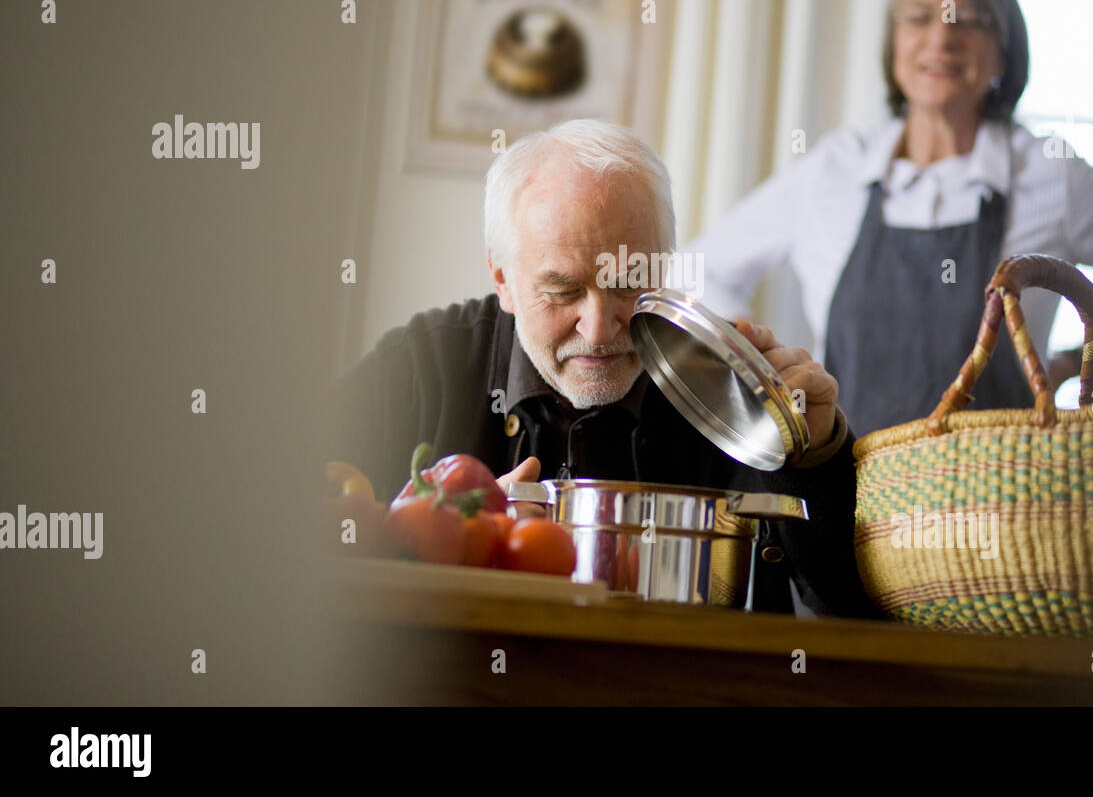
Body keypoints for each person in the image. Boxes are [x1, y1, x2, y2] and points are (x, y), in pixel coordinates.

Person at [330, 118, 876, 618]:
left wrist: (819, 453)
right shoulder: (423, 368)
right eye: (563, 290)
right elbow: (285, 545)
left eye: (628, 285)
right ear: (503, 281)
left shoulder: (726, 383)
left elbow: (855, 607)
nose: (598, 328)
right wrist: (428, 539)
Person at [685, 0, 1093, 437]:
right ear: (894, 43)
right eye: (919, 17)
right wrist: (777, 369)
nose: (941, 37)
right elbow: (698, 271)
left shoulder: (1050, 174)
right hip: (850, 496)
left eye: (969, 20)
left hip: (1003, 501)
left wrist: (1064, 363)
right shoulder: (835, 169)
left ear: (1004, 53)